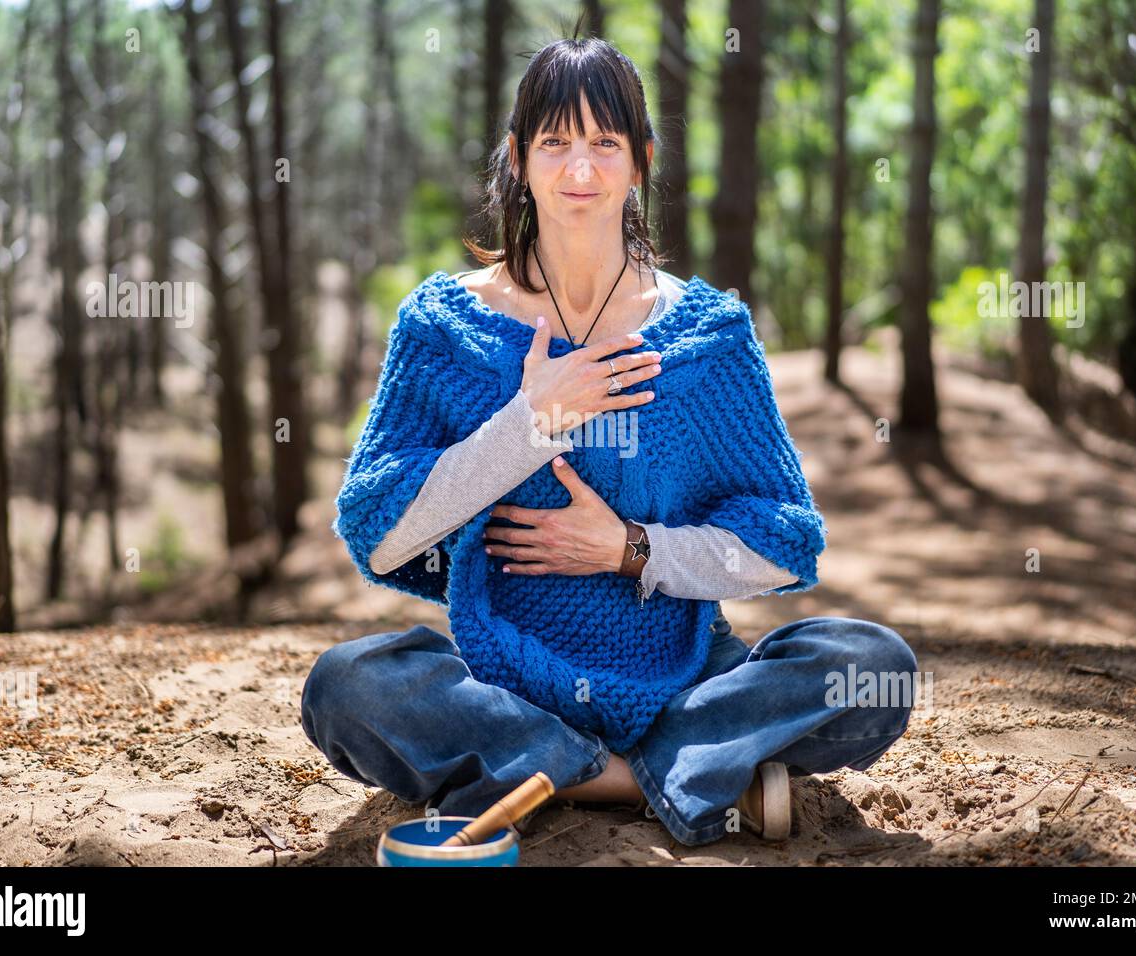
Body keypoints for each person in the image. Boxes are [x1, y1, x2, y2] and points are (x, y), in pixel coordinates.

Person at [301, 35, 918, 847]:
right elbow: (377, 535)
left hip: (690, 678)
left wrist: (631, 549)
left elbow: (784, 545)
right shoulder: (441, 326)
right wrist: (529, 426)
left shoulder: (708, 339)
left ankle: (560, 773)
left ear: (641, 161)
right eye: (554, 142)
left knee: (874, 666)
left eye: (605, 143)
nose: (579, 170)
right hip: (502, 680)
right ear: (518, 159)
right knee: (344, 686)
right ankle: (655, 775)